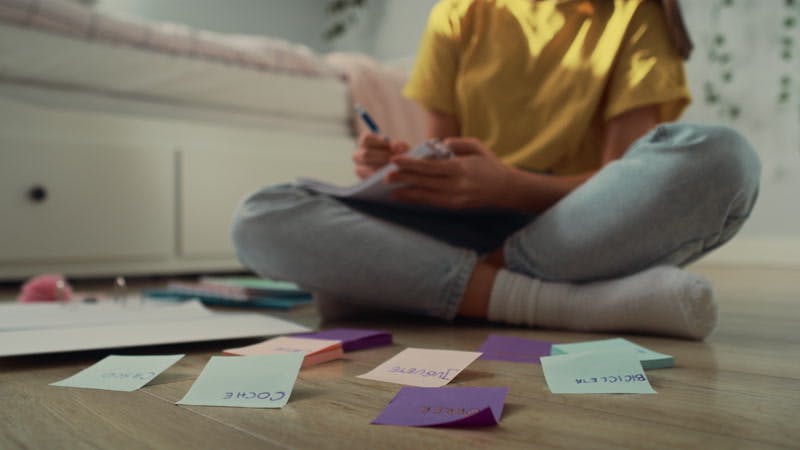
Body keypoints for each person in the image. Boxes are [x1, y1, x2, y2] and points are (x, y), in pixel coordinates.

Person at [232, 0, 760, 340]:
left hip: (572, 227)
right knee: (261, 215)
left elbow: (621, 177)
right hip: (462, 228)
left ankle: (409, 286)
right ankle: (558, 306)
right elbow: (442, 151)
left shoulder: (634, 14)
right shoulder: (459, 13)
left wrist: (512, 186)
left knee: (723, 157)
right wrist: (401, 168)